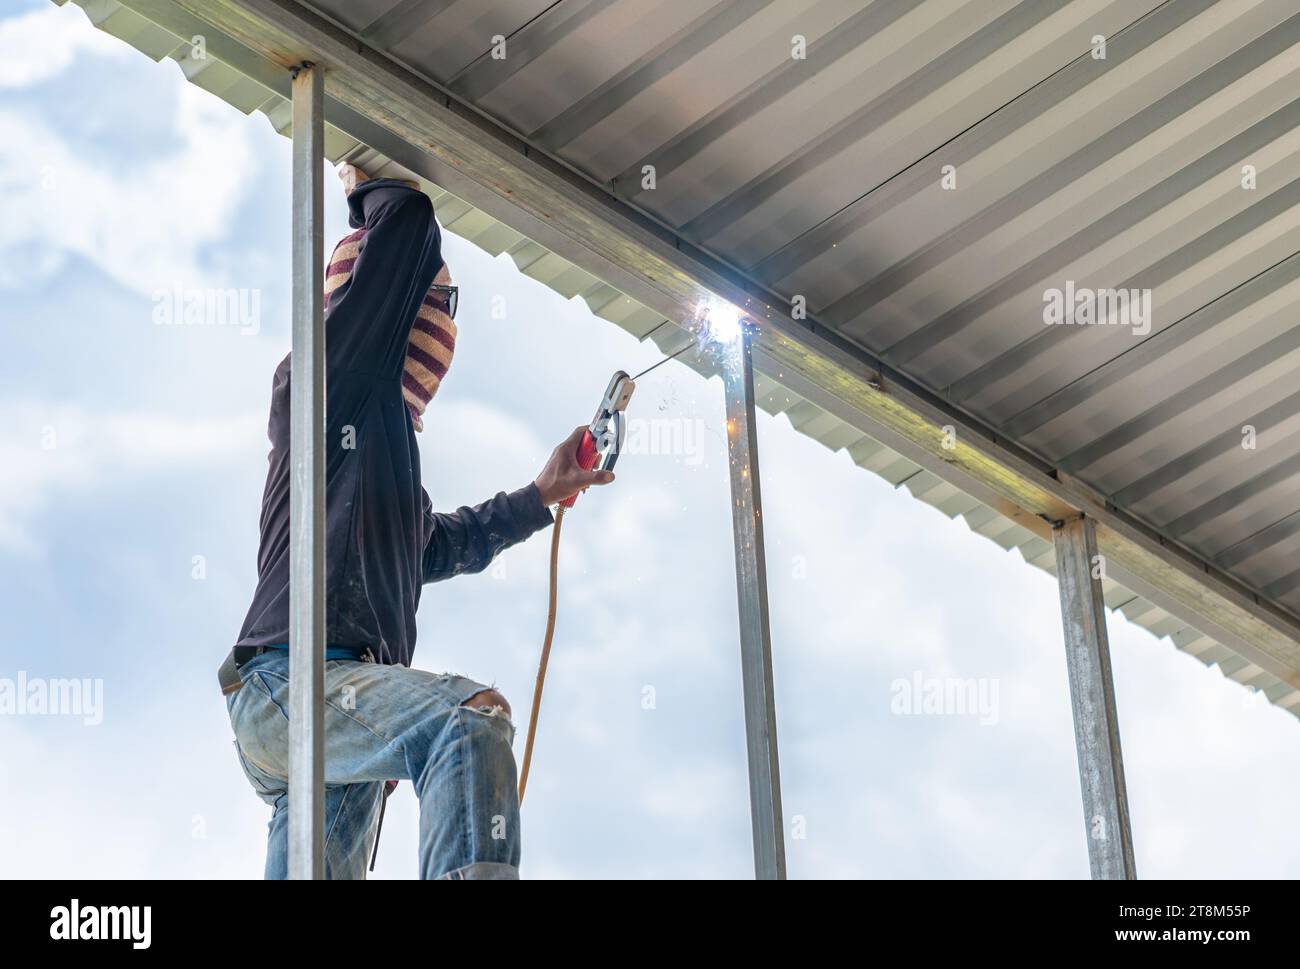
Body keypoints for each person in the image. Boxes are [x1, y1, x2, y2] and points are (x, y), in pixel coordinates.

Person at [216, 164, 613, 879]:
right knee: (467, 719)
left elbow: (436, 544)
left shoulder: (384, 451)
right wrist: (371, 189)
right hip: (293, 685)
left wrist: (540, 494)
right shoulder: (327, 383)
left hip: (325, 722)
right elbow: (407, 229)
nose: (444, 318)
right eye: (439, 301)